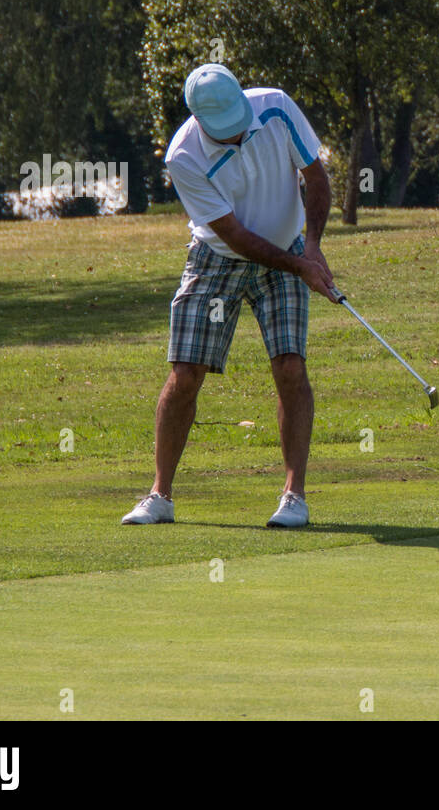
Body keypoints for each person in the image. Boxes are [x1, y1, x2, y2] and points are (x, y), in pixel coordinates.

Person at [122, 64, 339, 529]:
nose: (238, 139)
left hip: (288, 247)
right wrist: (299, 266)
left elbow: (315, 177)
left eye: (240, 130)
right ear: (199, 121)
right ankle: (160, 495)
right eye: (226, 136)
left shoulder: (276, 106)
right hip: (218, 257)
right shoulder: (183, 157)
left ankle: (293, 497)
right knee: (186, 372)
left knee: (290, 365)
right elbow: (235, 236)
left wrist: (313, 245)